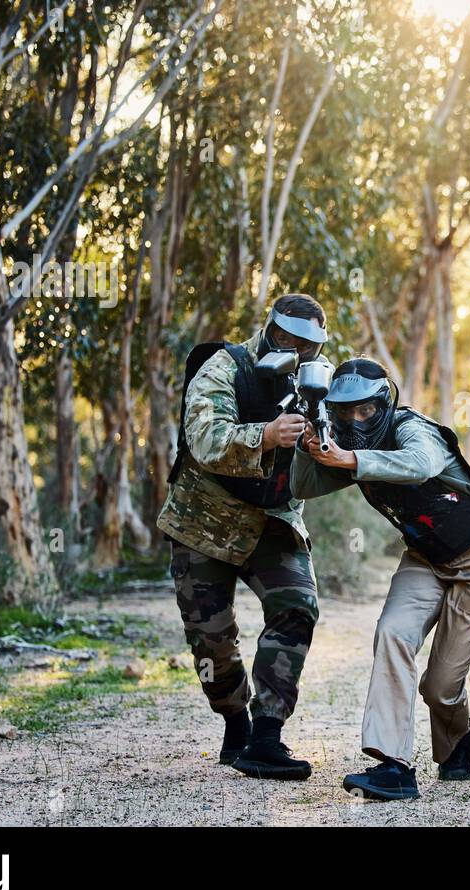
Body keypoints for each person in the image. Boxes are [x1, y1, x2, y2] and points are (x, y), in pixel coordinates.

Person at [292, 358, 470, 800]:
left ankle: (459, 737)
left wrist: (349, 457)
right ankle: (393, 766)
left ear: (385, 403)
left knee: (440, 686)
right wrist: (307, 445)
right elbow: (303, 486)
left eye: (366, 410)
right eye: (343, 411)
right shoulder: (341, 442)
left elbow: (420, 465)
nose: (355, 420)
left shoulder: (415, 429)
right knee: (392, 632)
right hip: (424, 559)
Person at [156, 293, 329, 780]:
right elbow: (206, 440)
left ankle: (267, 735)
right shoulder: (224, 367)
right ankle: (235, 722)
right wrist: (267, 435)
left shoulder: (319, 379)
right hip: (203, 521)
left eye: (306, 345)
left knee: (297, 607)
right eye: (284, 338)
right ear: (268, 328)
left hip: (273, 520)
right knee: (211, 639)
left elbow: (355, 432)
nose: (293, 350)